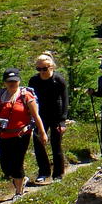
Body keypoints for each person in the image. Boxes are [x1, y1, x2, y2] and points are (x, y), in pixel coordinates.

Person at [0, 68, 48, 200]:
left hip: (22, 134)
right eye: (9, 81)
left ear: (19, 81)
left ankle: (18, 192)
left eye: (15, 81)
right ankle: (21, 179)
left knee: (17, 163)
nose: (12, 84)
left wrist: (42, 132)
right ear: (4, 82)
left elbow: (36, 115)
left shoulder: (26, 96)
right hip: (4, 135)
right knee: (6, 166)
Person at [28, 54, 68, 183]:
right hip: (40, 116)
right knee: (38, 143)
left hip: (56, 116)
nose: (42, 72)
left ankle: (58, 174)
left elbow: (65, 100)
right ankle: (44, 171)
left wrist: (63, 120)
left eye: (44, 68)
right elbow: (30, 99)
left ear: (52, 67)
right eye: (38, 69)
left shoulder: (59, 80)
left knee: (56, 145)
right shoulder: (33, 81)